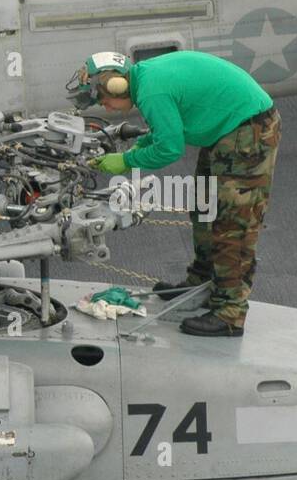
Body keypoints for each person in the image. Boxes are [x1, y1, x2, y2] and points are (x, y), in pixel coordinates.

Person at [75, 50, 281, 337]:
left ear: (116, 85)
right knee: (203, 207)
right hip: (228, 129)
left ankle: (230, 313)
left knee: (232, 223)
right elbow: (166, 128)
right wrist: (136, 148)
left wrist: (125, 161)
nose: (105, 107)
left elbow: (170, 148)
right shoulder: (144, 79)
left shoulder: (150, 92)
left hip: (247, 130)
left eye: (102, 99)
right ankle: (201, 283)